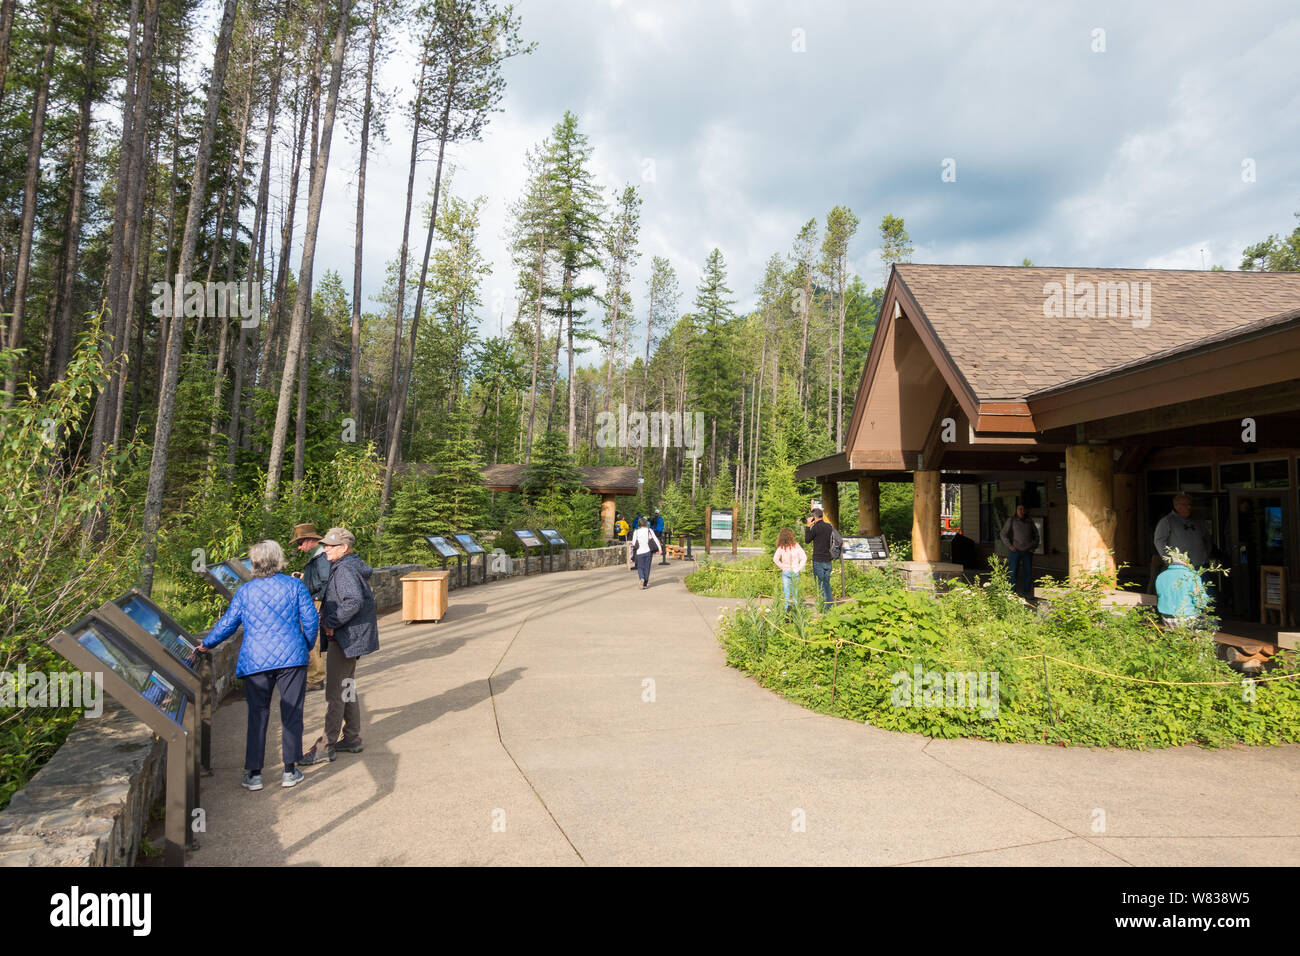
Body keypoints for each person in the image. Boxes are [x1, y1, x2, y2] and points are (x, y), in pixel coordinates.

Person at [194, 539, 317, 791]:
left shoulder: (245, 592)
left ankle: (254, 773)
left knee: (257, 715)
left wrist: (206, 643)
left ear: (255, 562)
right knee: (292, 712)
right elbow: (311, 620)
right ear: (278, 559)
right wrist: (303, 645)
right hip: (292, 659)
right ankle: (290, 770)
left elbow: (228, 624)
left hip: (255, 661)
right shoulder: (295, 586)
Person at [300, 528, 378, 766]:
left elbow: (353, 601)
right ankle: (352, 737)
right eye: (325, 545)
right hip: (351, 638)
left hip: (344, 640)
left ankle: (326, 745)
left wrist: (332, 623)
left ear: (344, 548)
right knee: (347, 687)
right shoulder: (349, 565)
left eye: (331, 546)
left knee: (335, 693)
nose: (326, 549)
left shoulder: (343, 569)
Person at [290, 522, 330, 691]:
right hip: (316, 600)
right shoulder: (318, 556)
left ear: (309, 540)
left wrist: (317, 602)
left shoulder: (321, 557)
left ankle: (315, 678)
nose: (299, 548)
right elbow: (320, 578)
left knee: (314, 639)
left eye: (300, 543)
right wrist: (303, 578)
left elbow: (326, 581)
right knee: (313, 638)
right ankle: (314, 676)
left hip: (316, 602)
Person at [1155, 548, 1210, 629]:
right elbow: (1201, 603)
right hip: (1187, 619)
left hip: (1166, 619)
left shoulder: (1161, 576)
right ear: (1186, 561)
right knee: (1213, 622)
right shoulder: (1192, 576)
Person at [1153, 494, 1211, 568]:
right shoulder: (1167, 521)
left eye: (1190, 504)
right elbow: (1159, 541)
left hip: (1201, 565)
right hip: (1179, 566)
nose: (1189, 507)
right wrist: (1170, 561)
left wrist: (1205, 555)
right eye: (1185, 504)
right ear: (1176, 506)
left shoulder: (1198, 521)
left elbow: (1207, 539)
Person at [1000, 504, 1039, 600]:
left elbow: (1037, 536)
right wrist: (1009, 545)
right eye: (1019, 509)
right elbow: (1003, 534)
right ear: (1016, 510)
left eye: (1023, 509)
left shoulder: (1029, 521)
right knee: (1013, 572)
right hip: (1015, 550)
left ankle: (1026, 592)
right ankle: (1012, 592)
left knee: (1028, 572)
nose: (1021, 511)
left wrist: (1033, 546)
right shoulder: (1011, 520)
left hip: (1028, 551)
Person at [804, 508, 834, 607]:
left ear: (814, 517)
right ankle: (830, 606)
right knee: (826, 584)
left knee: (820, 584)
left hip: (818, 560)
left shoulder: (816, 528)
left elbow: (807, 540)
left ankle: (823, 608)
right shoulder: (829, 527)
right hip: (828, 559)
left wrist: (808, 527)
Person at [772, 528, 807, 612]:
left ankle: (786, 612)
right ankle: (795, 611)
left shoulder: (781, 547)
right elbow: (804, 557)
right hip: (795, 571)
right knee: (795, 593)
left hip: (786, 571)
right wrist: (798, 568)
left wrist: (783, 567)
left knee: (786, 593)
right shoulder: (796, 546)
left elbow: (775, 559)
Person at [629, 517, 661, 589]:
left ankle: (641, 578)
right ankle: (645, 584)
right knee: (647, 567)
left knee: (640, 567)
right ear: (646, 523)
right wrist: (660, 549)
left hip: (639, 552)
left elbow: (634, 543)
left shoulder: (636, 532)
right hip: (648, 552)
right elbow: (655, 539)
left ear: (639, 524)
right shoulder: (649, 530)